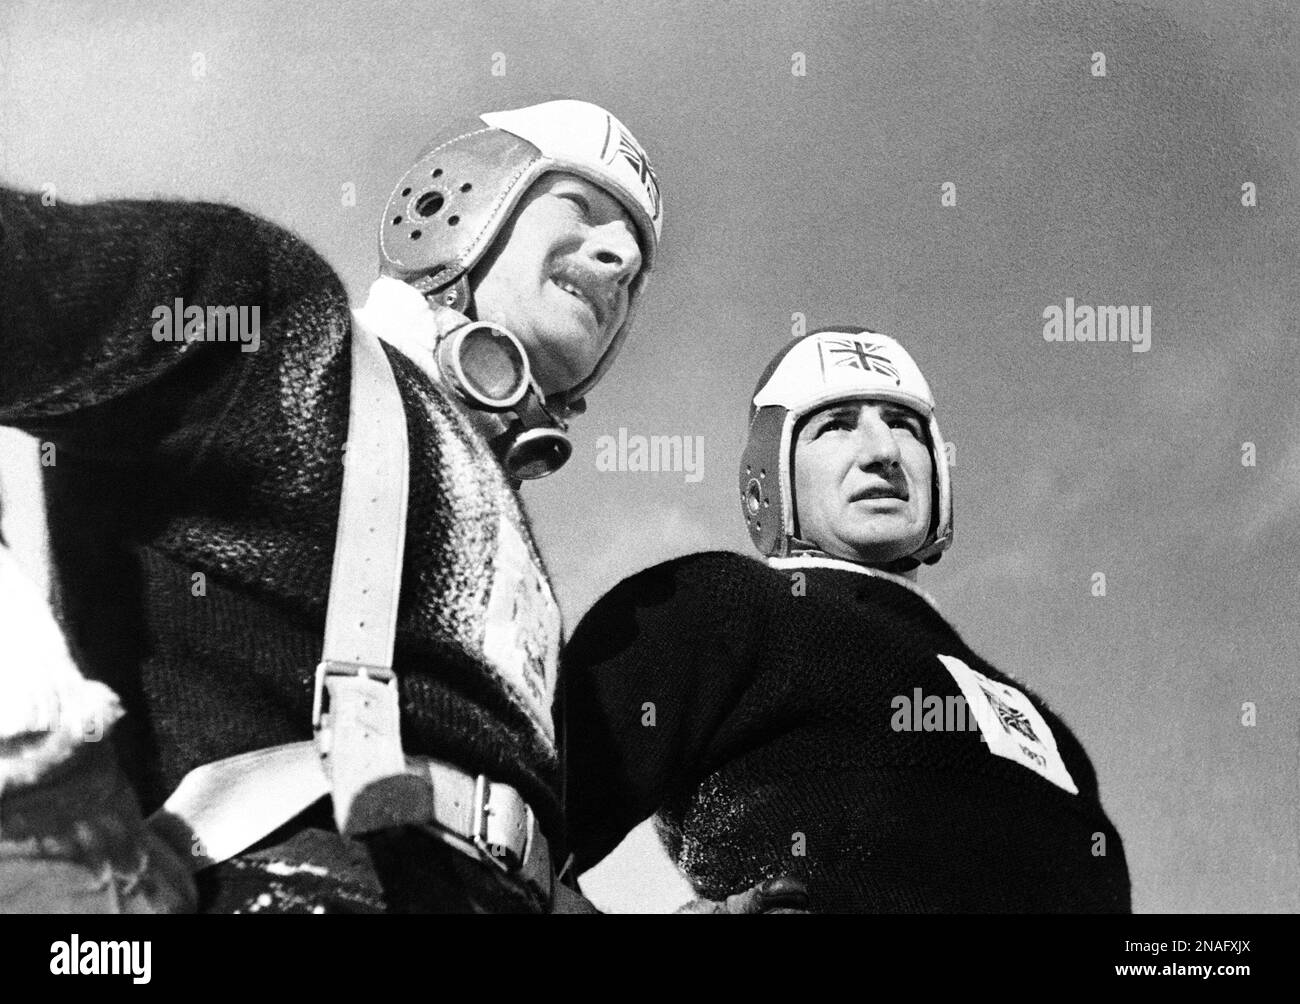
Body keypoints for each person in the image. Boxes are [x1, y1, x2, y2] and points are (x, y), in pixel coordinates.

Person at [0, 98, 662, 913]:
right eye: (584, 208)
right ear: (457, 201)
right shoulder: (277, 319)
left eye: (636, 260)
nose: (622, 255)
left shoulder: (517, 554)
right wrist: (27, 756)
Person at [558, 327, 1132, 912]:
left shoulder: (1047, 732)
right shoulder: (718, 603)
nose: (883, 451)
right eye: (835, 425)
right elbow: (504, 816)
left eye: (904, 426)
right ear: (769, 479)